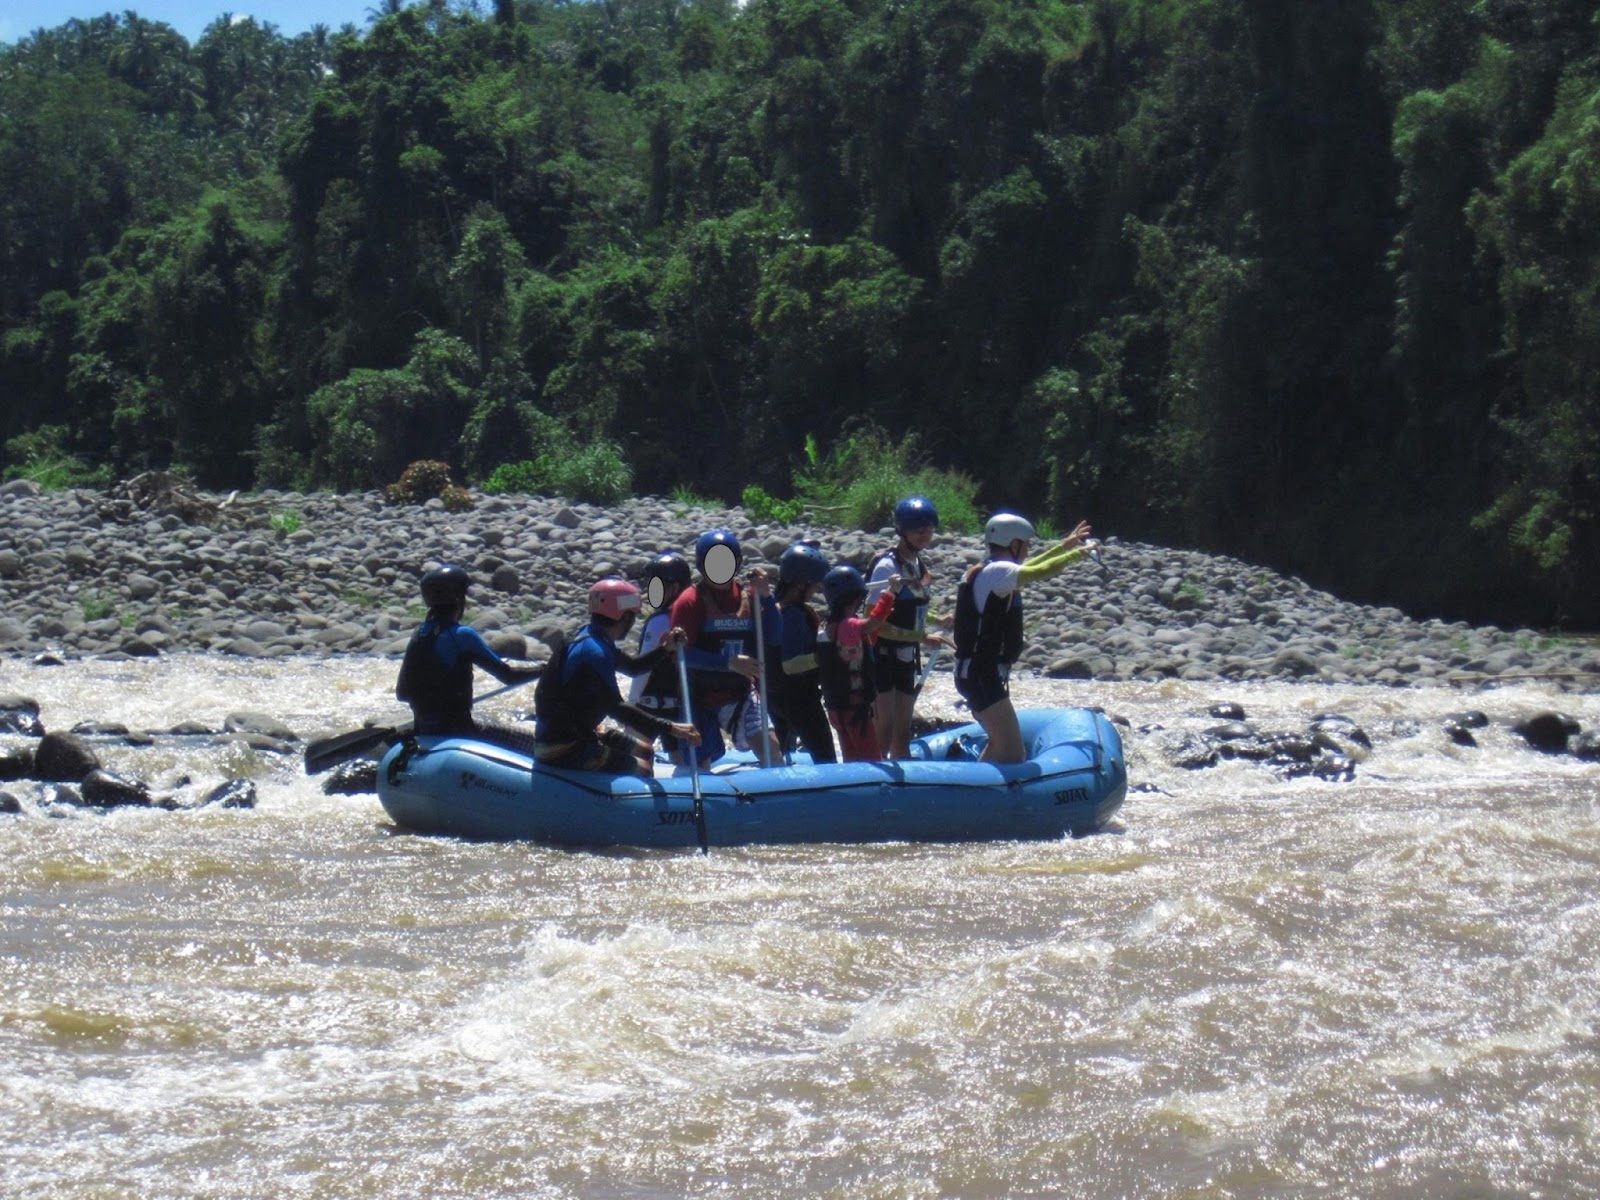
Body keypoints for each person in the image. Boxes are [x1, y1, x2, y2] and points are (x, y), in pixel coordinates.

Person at [953, 512, 1092, 763]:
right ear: (1014, 544)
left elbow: (1029, 567)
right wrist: (1075, 555)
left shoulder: (994, 569)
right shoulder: (998, 571)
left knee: (1003, 746)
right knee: (1013, 751)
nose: (1027, 550)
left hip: (978, 672)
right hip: (980, 674)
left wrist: (1064, 545)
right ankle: (979, 794)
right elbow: (1039, 571)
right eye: (1025, 544)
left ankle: (981, 789)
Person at [533, 578, 700, 776]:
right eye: (633, 617)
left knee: (646, 750)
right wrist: (670, 727)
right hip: (563, 748)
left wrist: (665, 649)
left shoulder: (592, 637)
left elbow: (632, 667)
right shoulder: (594, 653)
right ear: (626, 617)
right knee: (644, 769)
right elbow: (617, 708)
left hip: (577, 733)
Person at [668, 528, 783, 767]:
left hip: (739, 693)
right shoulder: (690, 601)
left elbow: (775, 636)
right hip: (699, 696)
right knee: (700, 765)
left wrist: (767, 597)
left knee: (771, 749)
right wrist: (728, 663)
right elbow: (680, 653)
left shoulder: (749, 597)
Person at [395, 564, 542, 745]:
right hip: (460, 733)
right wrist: (545, 669)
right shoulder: (462, 636)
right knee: (530, 741)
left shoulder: (419, 634)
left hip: (425, 731)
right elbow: (509, 676)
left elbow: (402, 693)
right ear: (458, 599)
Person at [868, 495, 953, 759]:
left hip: (905, 657)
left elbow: (909, 607)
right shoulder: (886, 567)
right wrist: (923, 636)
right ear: (903, 531)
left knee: (902, 732)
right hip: (881, 657)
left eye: (929, 529)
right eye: (918, 530)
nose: (925, 535)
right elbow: (875, 623)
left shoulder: (916, 564)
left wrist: (935, 619)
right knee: (884, 728)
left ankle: (905, 786)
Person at [817, 564, 900, 762]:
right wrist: (890, 593)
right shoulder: (849, 625)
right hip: (855, 708)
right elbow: (871, 623)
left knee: (851, 756)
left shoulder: (831, 628)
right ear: (854, 598)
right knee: (870, 756)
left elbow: (868, 636)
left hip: (838, 706)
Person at [770, 542, 835, 763]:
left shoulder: (776, 608)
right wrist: (827, 657)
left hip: (777, 698)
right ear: (800, 584)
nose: (816, 590)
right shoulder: (793, 615)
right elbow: (790, 664)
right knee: (825, 756)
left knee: (784, 754)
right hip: (799, 700)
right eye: (814, 585)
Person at [628, 552, 693, 755]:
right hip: (680, 706)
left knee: (632, 755)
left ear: (674, 588)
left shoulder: (660, 622)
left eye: (656, 585)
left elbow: (643, 670)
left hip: (650, 705)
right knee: (678, 758)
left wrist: (631, 704)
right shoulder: (694, 616)